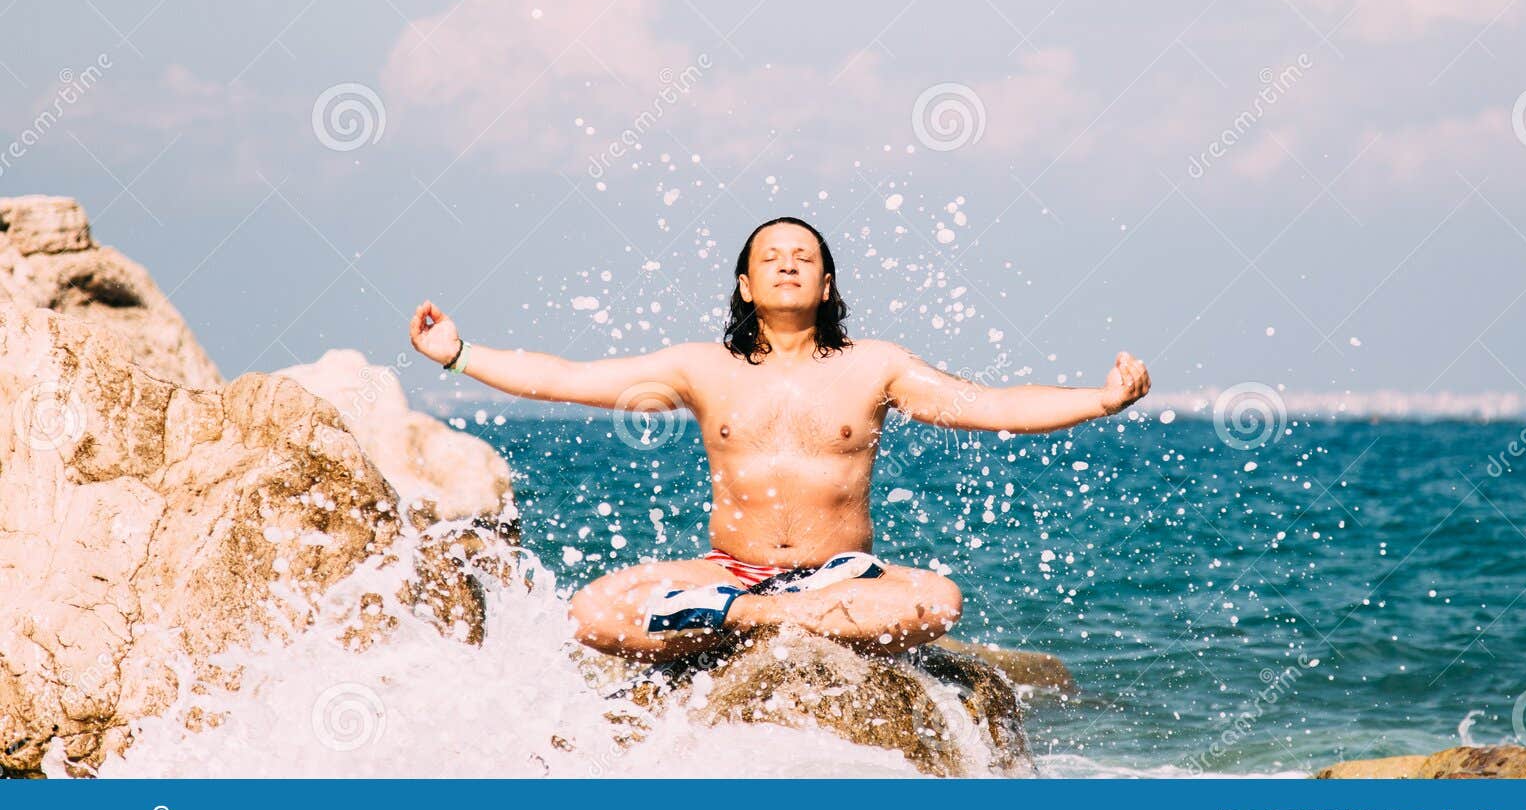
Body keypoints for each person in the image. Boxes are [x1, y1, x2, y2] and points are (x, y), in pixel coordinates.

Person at [410, 216, 1149, 660]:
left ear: (827, 285)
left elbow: (993, 406)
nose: (788, 263)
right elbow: (569, 376)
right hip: (730, 574)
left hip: (842, 576)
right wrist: (460, 353)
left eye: (805, 257)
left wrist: (1102, 398)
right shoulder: (702, 367)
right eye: (771, 256)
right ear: (744, 285)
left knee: (938, 599)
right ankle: (771, 621)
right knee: (591, 611)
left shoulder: (875, 365)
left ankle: (744, 627)